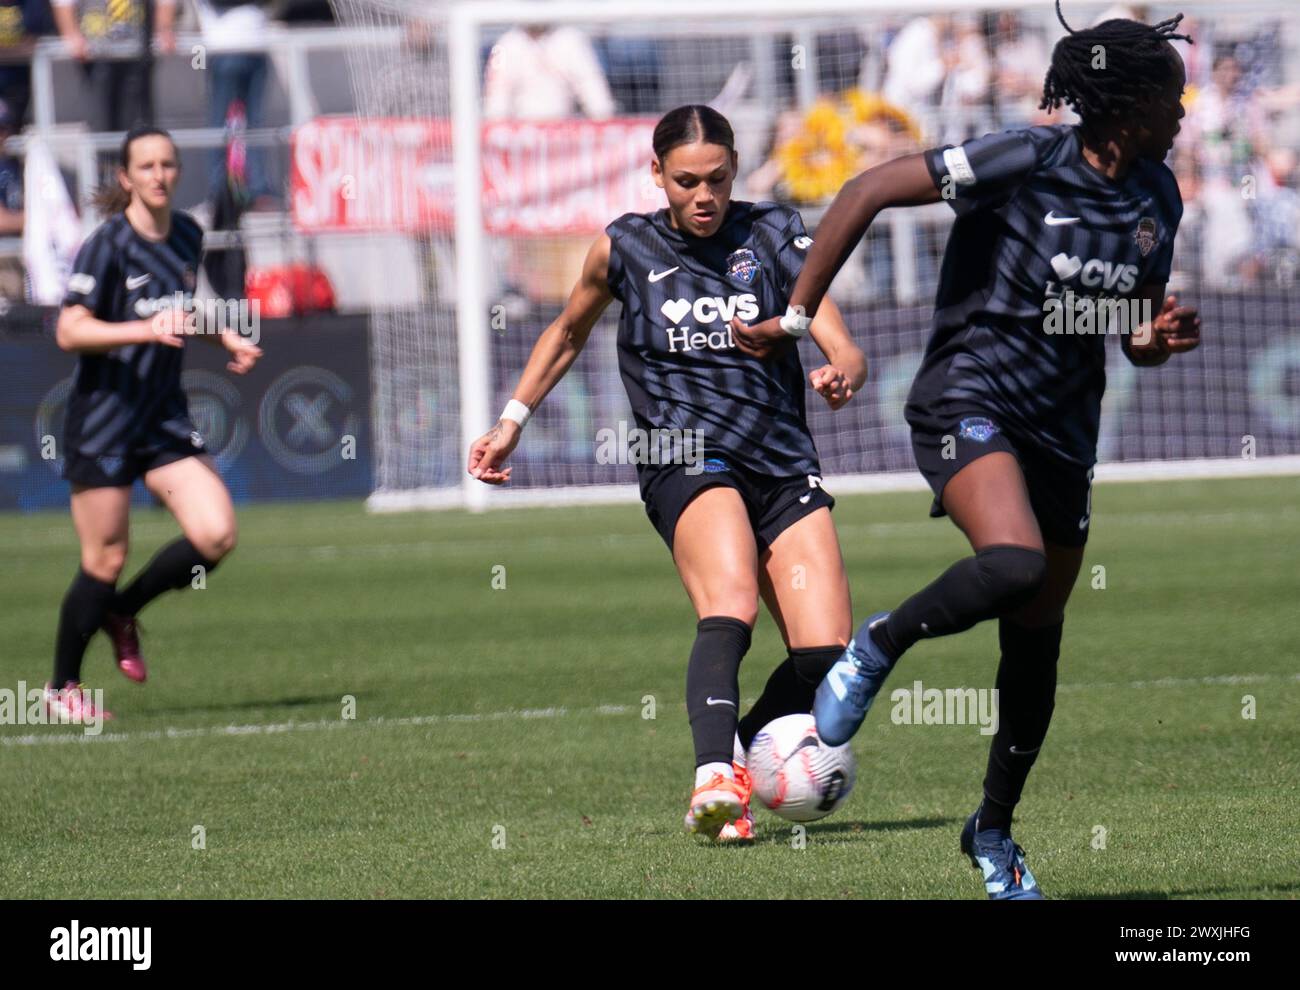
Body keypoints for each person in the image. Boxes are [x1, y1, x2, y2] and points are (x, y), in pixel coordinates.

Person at [732, 3, 1200, 896]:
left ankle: (991, 830)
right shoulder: (1024, 159)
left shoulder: (1159, 194)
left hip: (1065, 428)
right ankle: (877, 647)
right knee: (1016, 561)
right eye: (1171, 99)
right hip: (968, 396)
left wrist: (1153, 335)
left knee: (1037, 640)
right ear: (1127, 104)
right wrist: (796, 316)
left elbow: (1126, 325)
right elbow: (867, 190)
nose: (1183, 114)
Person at [467, 105, 867, 842]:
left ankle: (739, 759)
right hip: (682, 455)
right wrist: (511, 422)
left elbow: (841, 344)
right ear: (657, 175)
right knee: (733, 600)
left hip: (779, 461)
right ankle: (712, 778)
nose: (704, 195)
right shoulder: (625, 246)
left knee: (827, 657)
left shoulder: (776, 234)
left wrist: (842, 370)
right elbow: (566, 331)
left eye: (717, 178)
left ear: (736, 170)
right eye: (686, 181)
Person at [46, 125, 263, 723]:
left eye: (168, 164)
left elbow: (181, 304)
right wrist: (142, 330)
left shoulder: (187, 234)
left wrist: (220, 332)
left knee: (216, 533)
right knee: (104, 558)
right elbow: (70, 329)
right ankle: (61, 687)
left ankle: (124, 611)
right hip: (105, 420)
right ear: (126, 177)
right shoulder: (107, 245)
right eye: (146, 166)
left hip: (163, 417)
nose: (159, 175)